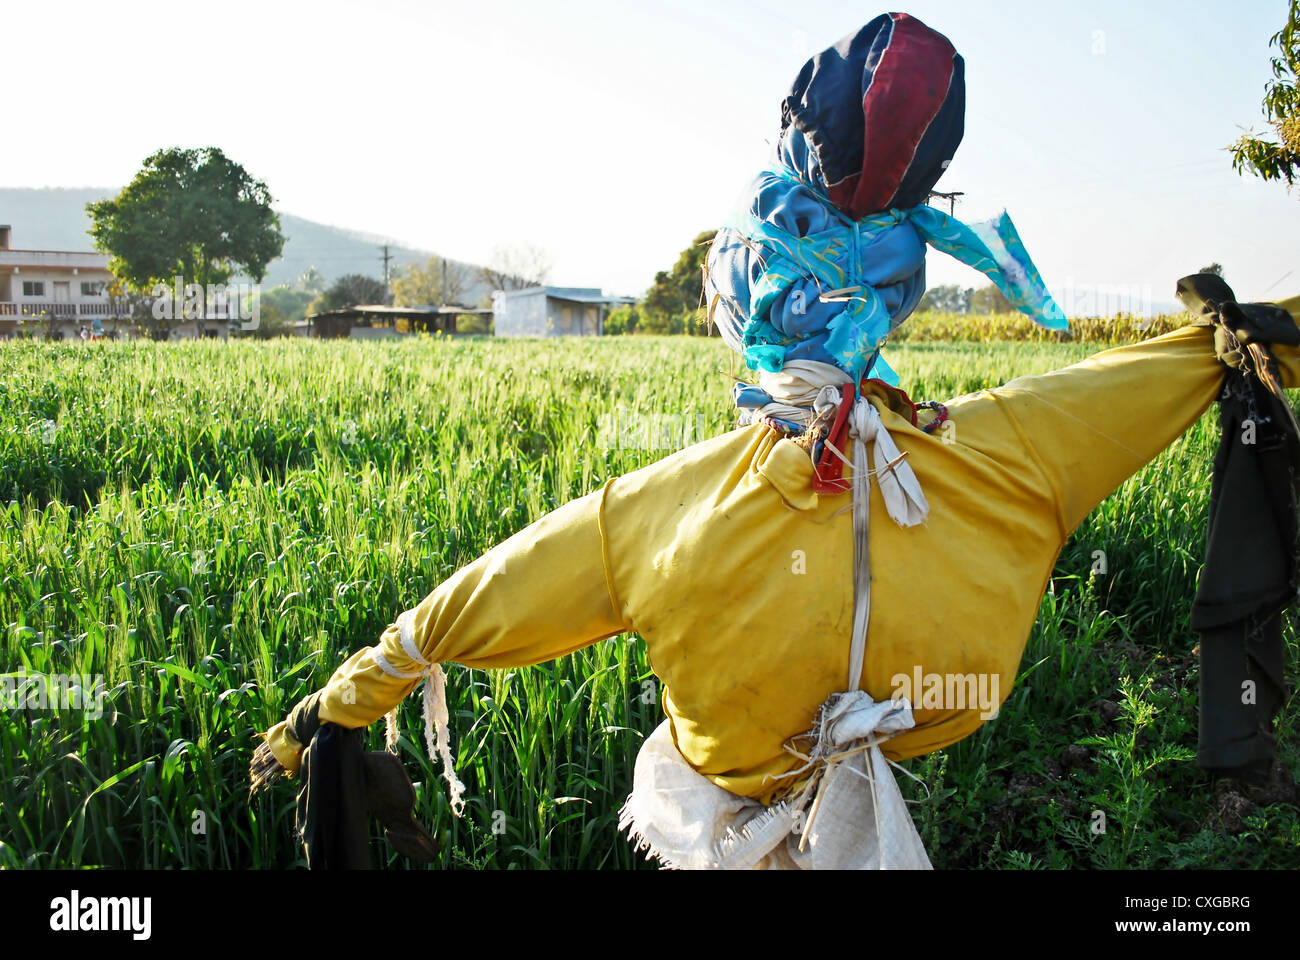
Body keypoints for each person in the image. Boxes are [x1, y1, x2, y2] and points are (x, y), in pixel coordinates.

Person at [251, 15, 1300, 869]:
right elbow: (1151, 374)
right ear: (899, 291)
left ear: (730, 303)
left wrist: (331, 711)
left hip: (738, 817)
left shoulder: (659, 516)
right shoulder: (1000, 457)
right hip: (873, 782)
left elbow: (475, 602)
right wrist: (1255, 332)